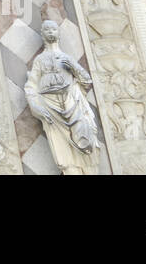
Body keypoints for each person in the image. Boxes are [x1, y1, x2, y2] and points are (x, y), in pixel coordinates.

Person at [25, 20, 100, 174]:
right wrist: (35, 106)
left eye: (54, 29)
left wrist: (73, 67)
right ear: (42, 33)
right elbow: (31, 86)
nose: (51, 32)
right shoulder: (39, 60)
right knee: (62, 150)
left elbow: (86, 81)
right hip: (51, 108)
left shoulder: (67, 58)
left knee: (86, 142)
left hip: (73, 103)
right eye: (47, 29)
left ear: (58, 33)